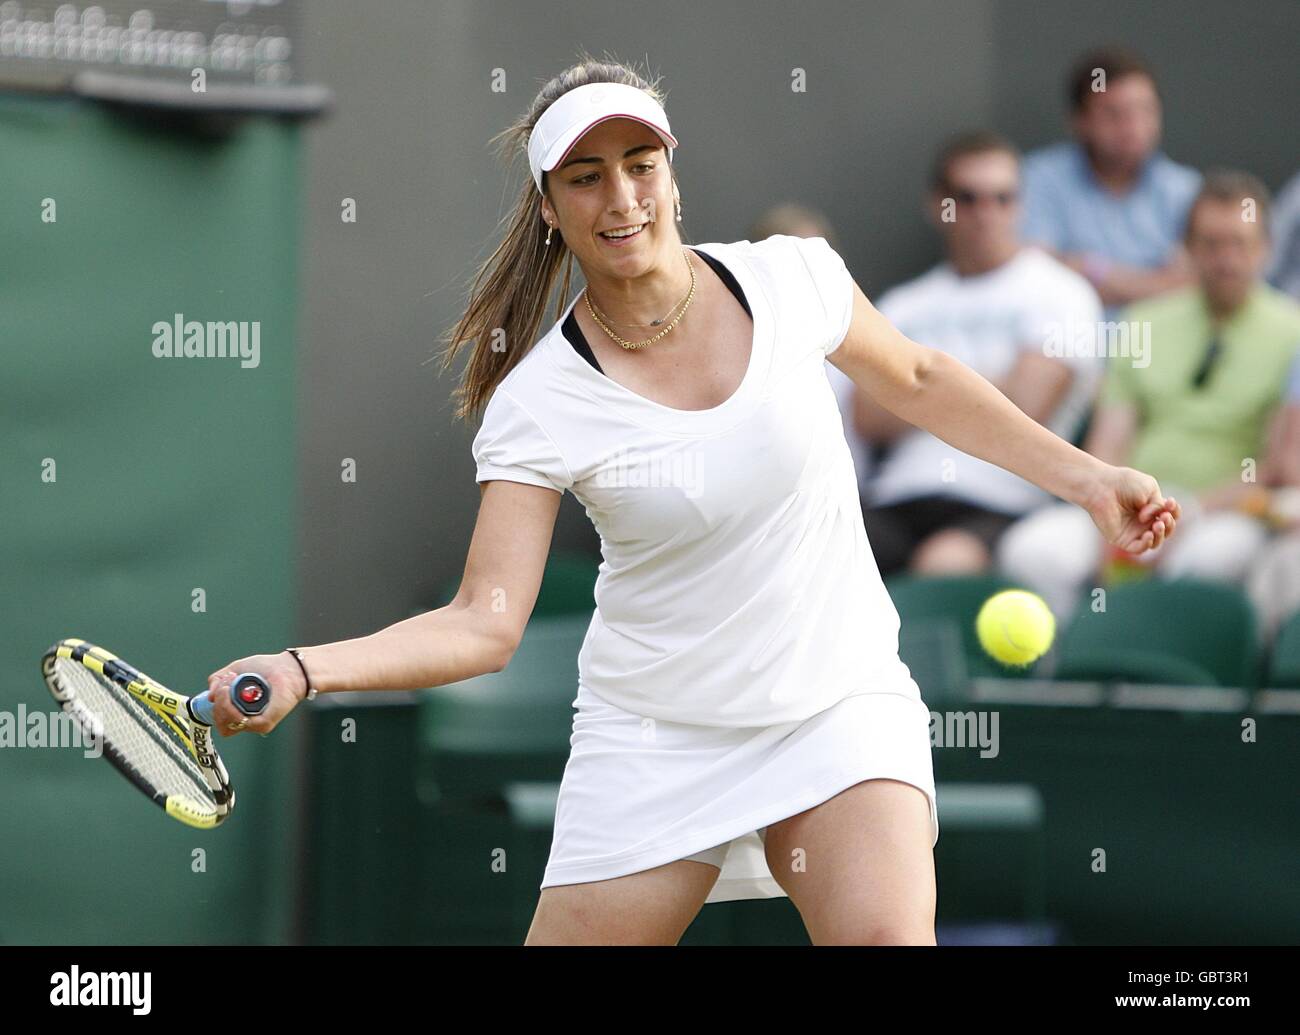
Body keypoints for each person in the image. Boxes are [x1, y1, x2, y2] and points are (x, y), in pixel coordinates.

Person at [202, 58, 1180, 946]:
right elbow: (483, 623)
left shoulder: (792, 277)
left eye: (639, 163)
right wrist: (302, 668)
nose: (620, 196)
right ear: (549, 207)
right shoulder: (537, 402)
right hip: (656, 734)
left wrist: (1089, 479)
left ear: (671, 173)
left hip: (835, 698)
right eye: (586, 178)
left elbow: (919, 380)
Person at [997, 171, 1300, 621]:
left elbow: (1276, 467)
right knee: (1032, 552)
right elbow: (1109, 440)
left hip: (1226, 514)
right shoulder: (1143, 321)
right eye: (1212, 245)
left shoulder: (1292, 330)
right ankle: (1068, 677)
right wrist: (1108, 507)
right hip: (1130, 503)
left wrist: (1189, 512)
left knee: (1208, 562)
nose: (1226, 259)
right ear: (1188, 250)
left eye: (1240, 244)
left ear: (1266, 250)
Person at [854, 131, 1103, 577]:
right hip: (896, 496)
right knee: (816, 558)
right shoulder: (904, 302)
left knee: (945, 563)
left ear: (1020, 205)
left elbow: (1026, 405)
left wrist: (913, 385)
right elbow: (869, 418)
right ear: (938, 205)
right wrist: (989, 379)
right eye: (968, 198)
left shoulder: (1059, 292)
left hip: (1005, 500)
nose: (986, 213)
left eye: (1002, 198)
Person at [1020, 46, 1200, 316]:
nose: (1133, 127)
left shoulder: (1186, 190)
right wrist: (1156, 283)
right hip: (1067, 348)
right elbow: (1033, 278)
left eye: (1145, 110)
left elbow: (1195, 286)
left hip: (1161, 350)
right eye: (1114, 114)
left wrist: (1090, 269)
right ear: (1079, 121)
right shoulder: (1039, 178)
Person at [748, 204, 877, 500]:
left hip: (863, 502)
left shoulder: (864, 337)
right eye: (791, 264)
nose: (806, 276)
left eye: (815, 264)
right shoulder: (742, 353)